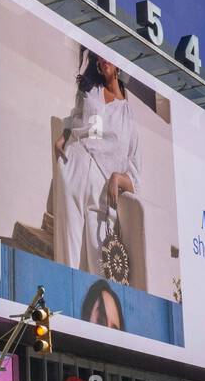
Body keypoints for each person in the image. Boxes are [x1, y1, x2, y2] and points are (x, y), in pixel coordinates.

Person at [52, 49, 141, 276]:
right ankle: (63, 307)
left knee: (101, 261)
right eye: (99, 57)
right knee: (67, 248)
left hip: (103, 184)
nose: (103, 60)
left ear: (119, 67)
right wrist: (63, 136)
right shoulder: (91, 90)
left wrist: (118, 177)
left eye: (108, 56)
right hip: (76, 162)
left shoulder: (129, 117)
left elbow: (136, 177)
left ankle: (98, 309)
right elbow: (77, 117)